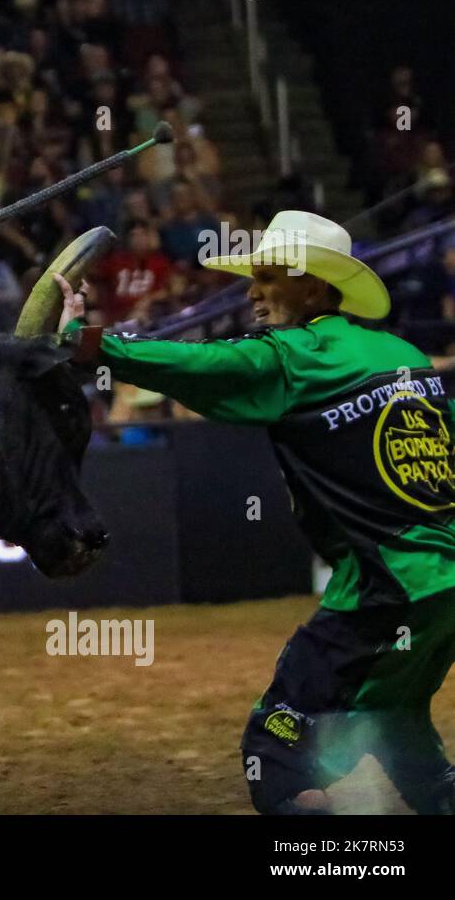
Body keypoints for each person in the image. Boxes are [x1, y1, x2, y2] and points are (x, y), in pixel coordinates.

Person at [57, 210, 455, 815]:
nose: (253, 292)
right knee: (391, 716)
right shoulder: (404, 355)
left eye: (269, 277)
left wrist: (86, 341)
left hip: (386, 589)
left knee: (273, 755)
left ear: (315, 287)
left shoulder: (295, 357)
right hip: (444, 587)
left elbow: (203, 366)